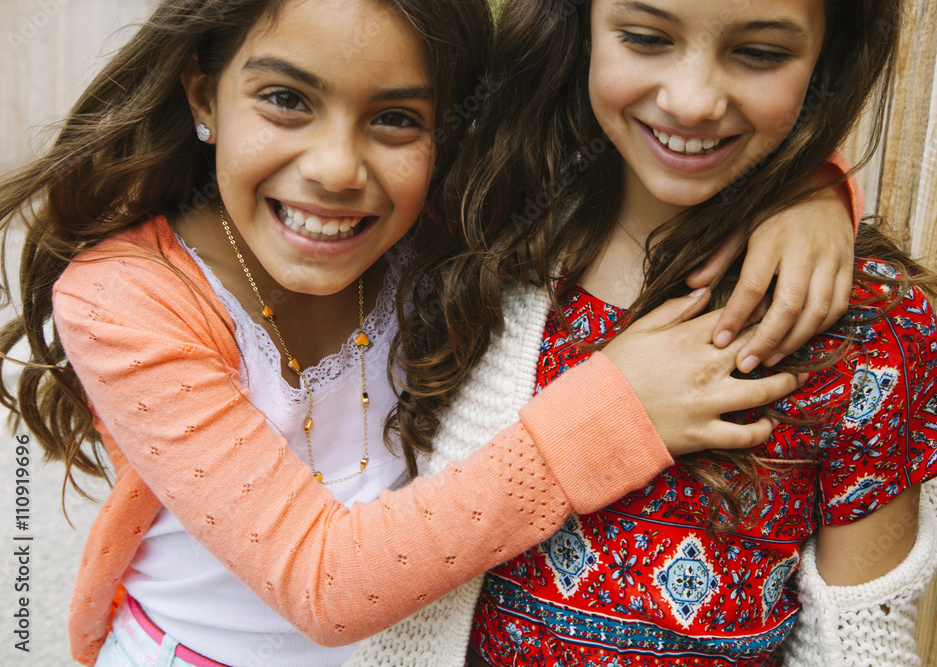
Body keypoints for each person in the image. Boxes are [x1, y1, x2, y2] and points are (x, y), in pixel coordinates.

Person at [0, 0, 861, 666]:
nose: (337, 168)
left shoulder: (439, 228)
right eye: (286, 99)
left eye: (396, 120)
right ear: (204, 96)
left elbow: (660, 147)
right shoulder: (125, 300)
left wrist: (810, 191)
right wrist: (618, 410)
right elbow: (325, 579)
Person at [349, 0, 937, 665]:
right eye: (648, 37)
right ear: (579, 24)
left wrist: (817, 183)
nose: (692, 102)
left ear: (830, 55)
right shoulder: (487, 232)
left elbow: (860, 643)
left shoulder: (863, 322)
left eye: (760, 53)